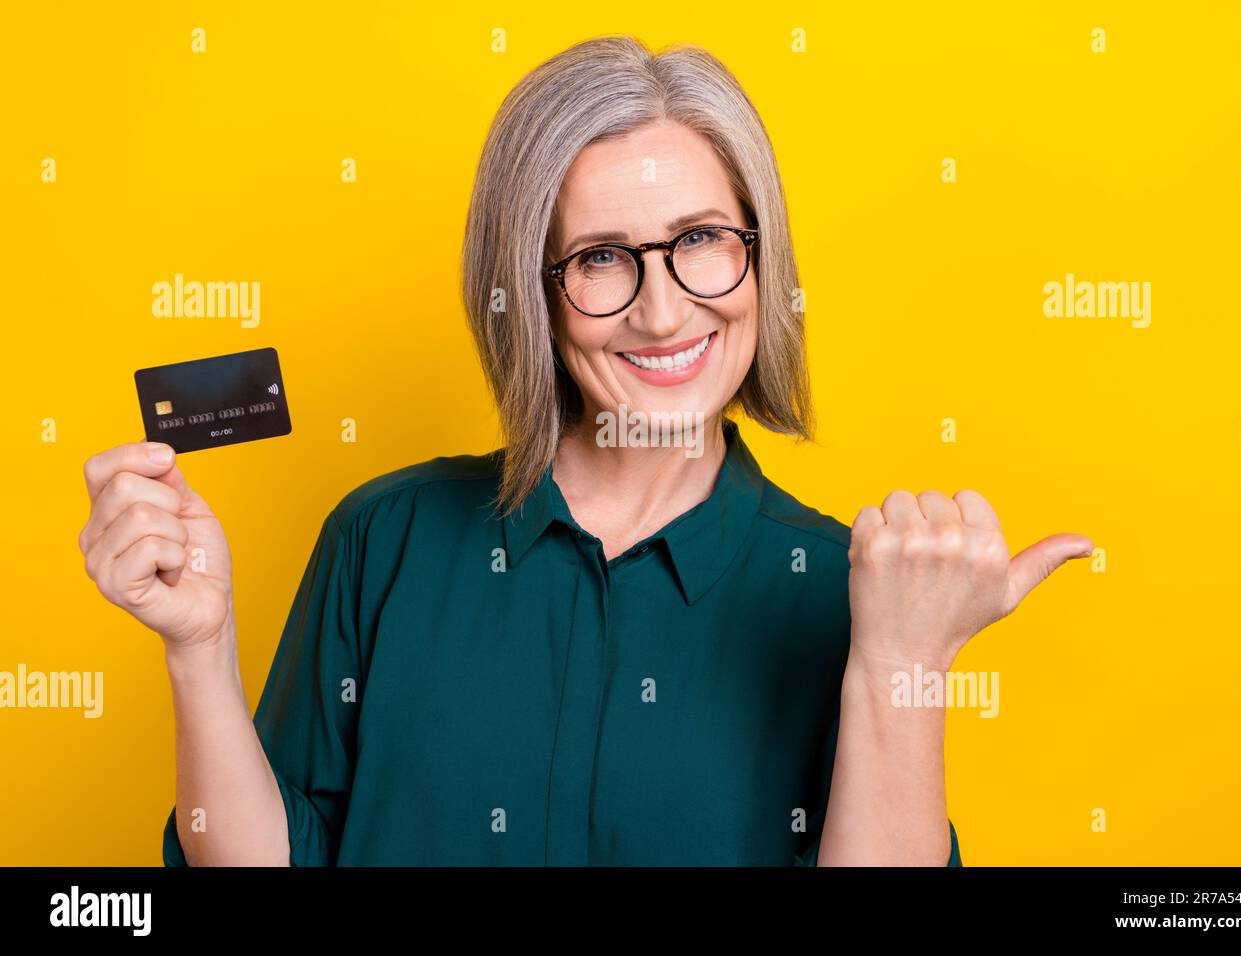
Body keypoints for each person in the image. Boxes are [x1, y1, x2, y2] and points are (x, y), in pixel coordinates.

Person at [77, 35, 1091, 866]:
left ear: (759, 251)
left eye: (699, 238)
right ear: (526, 294)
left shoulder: (838, 588)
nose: (661, 310)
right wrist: (198, 651)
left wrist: (904, 663)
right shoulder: (381, 539)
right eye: (601, 258)